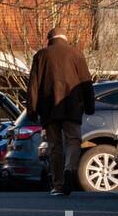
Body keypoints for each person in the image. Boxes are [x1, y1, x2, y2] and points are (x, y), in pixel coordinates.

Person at [26, 28, 95, 195]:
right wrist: (89, 106)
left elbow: (33, 86)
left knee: (54, 146)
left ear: (48, 39)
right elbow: (86, 83)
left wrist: (32, 111)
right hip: (72, 107)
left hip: (49, 110)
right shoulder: (76, 54)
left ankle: (57, 184)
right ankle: (70, 169)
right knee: (73, 141)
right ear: (65, 37)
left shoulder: (40, 56)